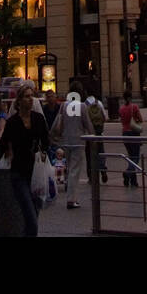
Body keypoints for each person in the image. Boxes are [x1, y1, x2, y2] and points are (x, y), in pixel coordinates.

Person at [0, 85, 50, 237]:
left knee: (33, 215)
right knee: (30, 218)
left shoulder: (38, 119)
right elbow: (2, 146)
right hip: (19, 174)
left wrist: (43, 153)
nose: (30, 99)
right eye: (27, 96)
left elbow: (46, 141)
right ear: (19, 100)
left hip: (35, 173)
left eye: (32, 96)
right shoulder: (13, 122)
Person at [51, 81, 94, 209]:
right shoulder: (82, 106)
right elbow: (88, 124)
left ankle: (71, 197)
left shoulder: (64, 105)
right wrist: (94, 137)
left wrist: (53, 136)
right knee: (75, 171)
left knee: (70, 169)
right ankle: (71, 199)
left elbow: (58, 122)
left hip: (66, 141)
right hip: (78, 142)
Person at [118, 87, 143, 188]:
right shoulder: (135, 107)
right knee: (135, 157)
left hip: (125, 133)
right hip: (133, 133)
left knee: (131, 156)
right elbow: (140, 119)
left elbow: (122, 120)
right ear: (130, 97)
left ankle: (133, 181)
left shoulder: (121, 108)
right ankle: (128, 173)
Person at [84, 93, 108, 183]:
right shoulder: (99, 103)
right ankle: (103, 171)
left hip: (89, 135)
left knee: (89, 155)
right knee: (101, 152)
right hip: (99, 132)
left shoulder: (85, 105)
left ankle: (91, 176)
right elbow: (105, 117)